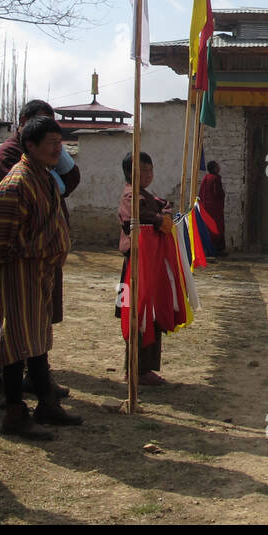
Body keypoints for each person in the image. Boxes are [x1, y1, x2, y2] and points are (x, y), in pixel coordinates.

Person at [0, 116, 79, 438]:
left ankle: (46, 405)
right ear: (31, 146)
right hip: (18, 274)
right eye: (51, 144)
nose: (56, 150)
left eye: (59, 144)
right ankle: (14, 412)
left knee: (37, 342)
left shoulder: (46, 178)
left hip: (40, 274)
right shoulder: (16, 183)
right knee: (13, 344)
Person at [118, 151, 174, 385]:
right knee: (136, 314)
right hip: (135, 265)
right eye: (144, 171)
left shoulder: (144, 194)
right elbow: (141, 215)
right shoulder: (131, 196)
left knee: (150, 316)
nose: (149, 175)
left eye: (151, 170)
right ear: (132, 173)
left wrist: (164, 212)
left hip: (150, 262)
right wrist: (161, 220)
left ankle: (145, 368)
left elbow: (161, 204)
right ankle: (136, 369)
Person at [196, 159, 226, 254]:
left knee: (208, 227)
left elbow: (201, 192)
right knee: (217, 228)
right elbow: (217, 193)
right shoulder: (215, 178)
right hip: (215, 208)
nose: (219, 167)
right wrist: (223, 195)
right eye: (217, 166)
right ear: (214, 169)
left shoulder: (206, 177)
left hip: (206, 207)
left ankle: (208, 248)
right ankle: (217, 249)